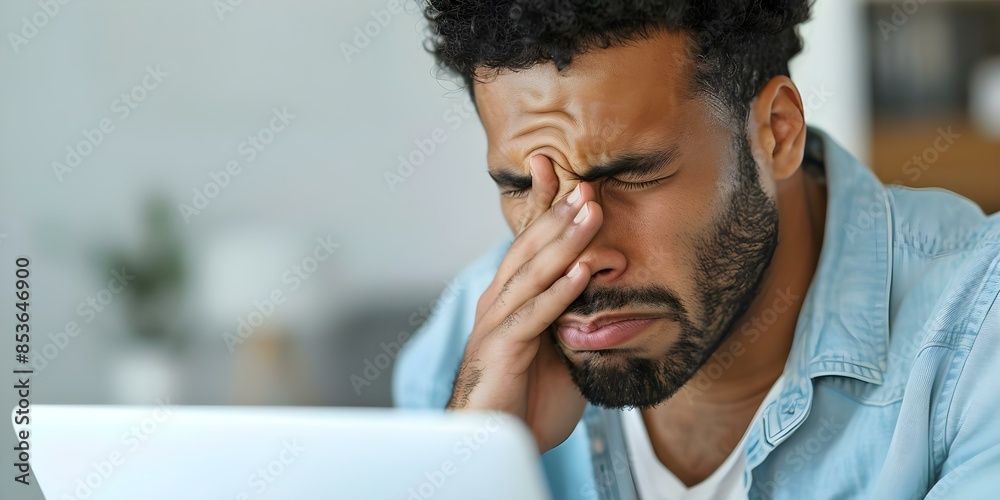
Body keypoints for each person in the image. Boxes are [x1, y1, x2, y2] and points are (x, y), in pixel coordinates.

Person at [393, 1, 1000, 498]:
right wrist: (480, 469)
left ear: (776, 133)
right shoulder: (468, 354)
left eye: (633, 176)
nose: (578, 261)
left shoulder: (976, 335)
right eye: (523, 187)